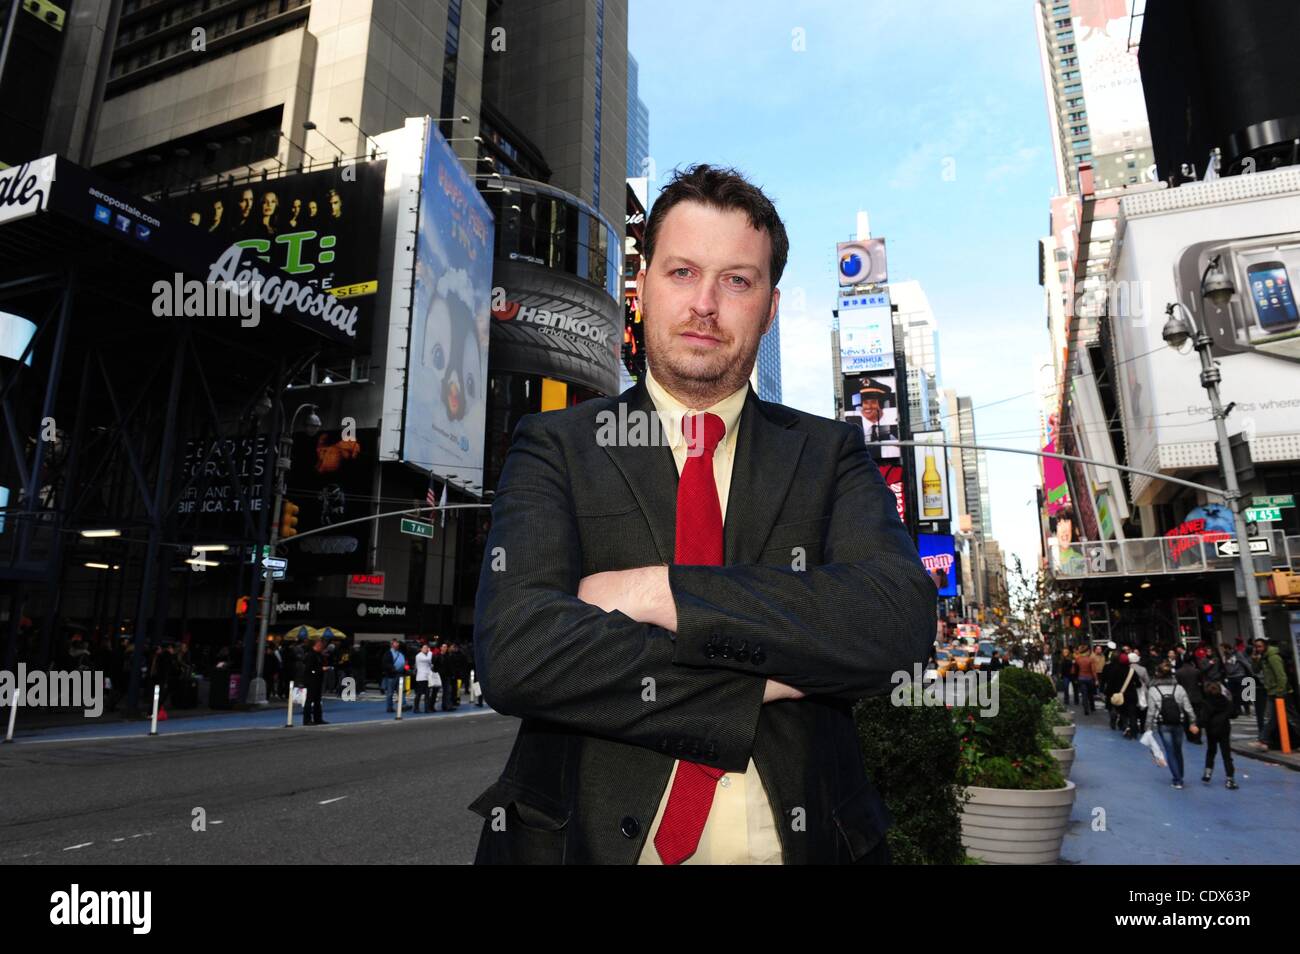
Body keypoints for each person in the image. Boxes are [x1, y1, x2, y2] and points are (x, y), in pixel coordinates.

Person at [469, 164, 934, 865]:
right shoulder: (556, 444)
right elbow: (517, 654)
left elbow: (897, 623)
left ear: (770, 308)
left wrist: (656, 593)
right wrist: (772, 673)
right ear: (643, 287)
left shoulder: (830, 453)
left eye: (737, 280)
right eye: (682, 273)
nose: (706, 304)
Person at [1145, 661, 1200, 788]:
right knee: (1178, 750)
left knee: (1170, 751)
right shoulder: (1179, 688)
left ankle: (1177, 779)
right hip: (1178, 722)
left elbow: (1151, 711)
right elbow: (1188, 707)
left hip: (1163, 723)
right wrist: (1193, 721)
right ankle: (1180, 774)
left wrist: (1147, 727)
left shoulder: (1153, 690)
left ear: (1158, 674)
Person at [1200, 681, 1237, 789]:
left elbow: (1204, 718)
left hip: (1211, 730)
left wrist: (1198, 725)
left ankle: (1208, 772)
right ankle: (1230, 778)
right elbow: (1234, 714)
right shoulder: (1226, 701)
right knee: (1226, 755)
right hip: (1224, 729)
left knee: (1211, 751)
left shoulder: (1206, 702)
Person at [302, 638, 328, 725]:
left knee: (317, 700)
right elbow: (309, 669)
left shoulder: (318, 654)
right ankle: (307, 720)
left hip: (317, 680)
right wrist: (320, 669)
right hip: (312, 680)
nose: (322, 645)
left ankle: (318, 718)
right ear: (316, 645)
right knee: (309, 700)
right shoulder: (311, 655)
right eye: (320, 644)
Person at [381, 639, 405, 712]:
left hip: (400, 674)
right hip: (391, 675)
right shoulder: (388, 653)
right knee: (390, 693)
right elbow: (385, 663)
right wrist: (392, 668)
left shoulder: (400, 653)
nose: (397, 644)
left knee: (400, 692)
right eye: (396, 643)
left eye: (398, 643)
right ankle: (389, 708)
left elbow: (403, 662)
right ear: (391, 645)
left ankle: (401, 706)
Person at [1073, 644, 1097, 715]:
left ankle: (1086, 709)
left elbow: (1075, 670)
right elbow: (1093, 671)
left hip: (1081, 677)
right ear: (1087, 652)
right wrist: (1096, 679)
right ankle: (1092, 707)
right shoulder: (1090, 660)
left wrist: (1075, 678)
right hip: (1089, 678)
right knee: (1090, 694)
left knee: (1084, 694)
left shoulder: (1078, 660)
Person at [413, 644, 435, 713]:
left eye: (427, 648)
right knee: (419, 694)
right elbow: (428, 659)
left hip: (427, 677)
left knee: (427, 694)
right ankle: (416, 708)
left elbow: (430, 664)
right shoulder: (419, 656)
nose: (426, 649)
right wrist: (430, 652)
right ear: (421, 649)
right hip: (421, 678)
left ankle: (427, 708)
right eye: (425, 648)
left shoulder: (426, 655)